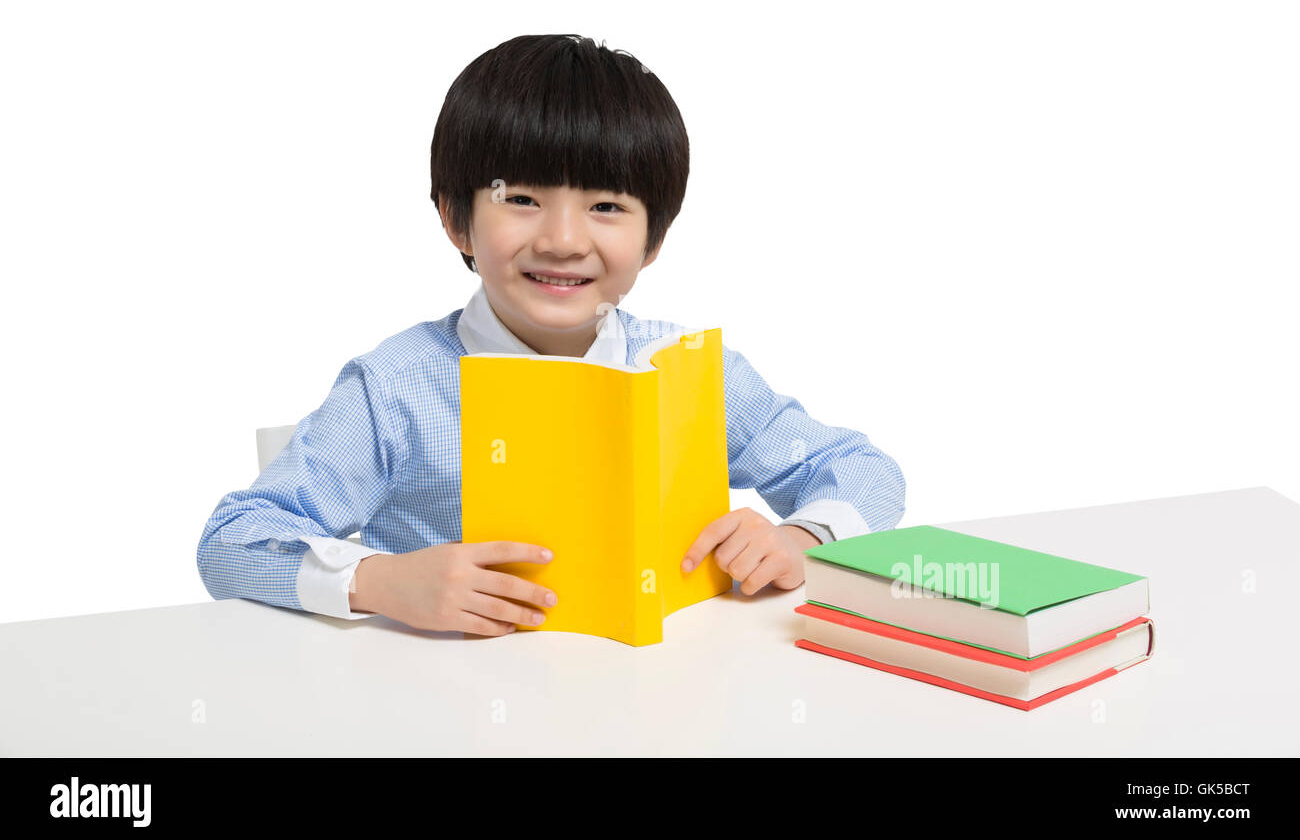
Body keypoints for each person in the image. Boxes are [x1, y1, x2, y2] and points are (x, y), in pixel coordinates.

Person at [197, 34, 906, 637]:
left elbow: (866, 471)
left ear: (652, 239)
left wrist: (799, 536)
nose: (563, 241)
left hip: (663, 699)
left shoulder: (690, 373)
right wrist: (380, 582)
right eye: (522, 200)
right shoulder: (395, 389)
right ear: (455, 219)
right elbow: (230, 543)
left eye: (605, 205)